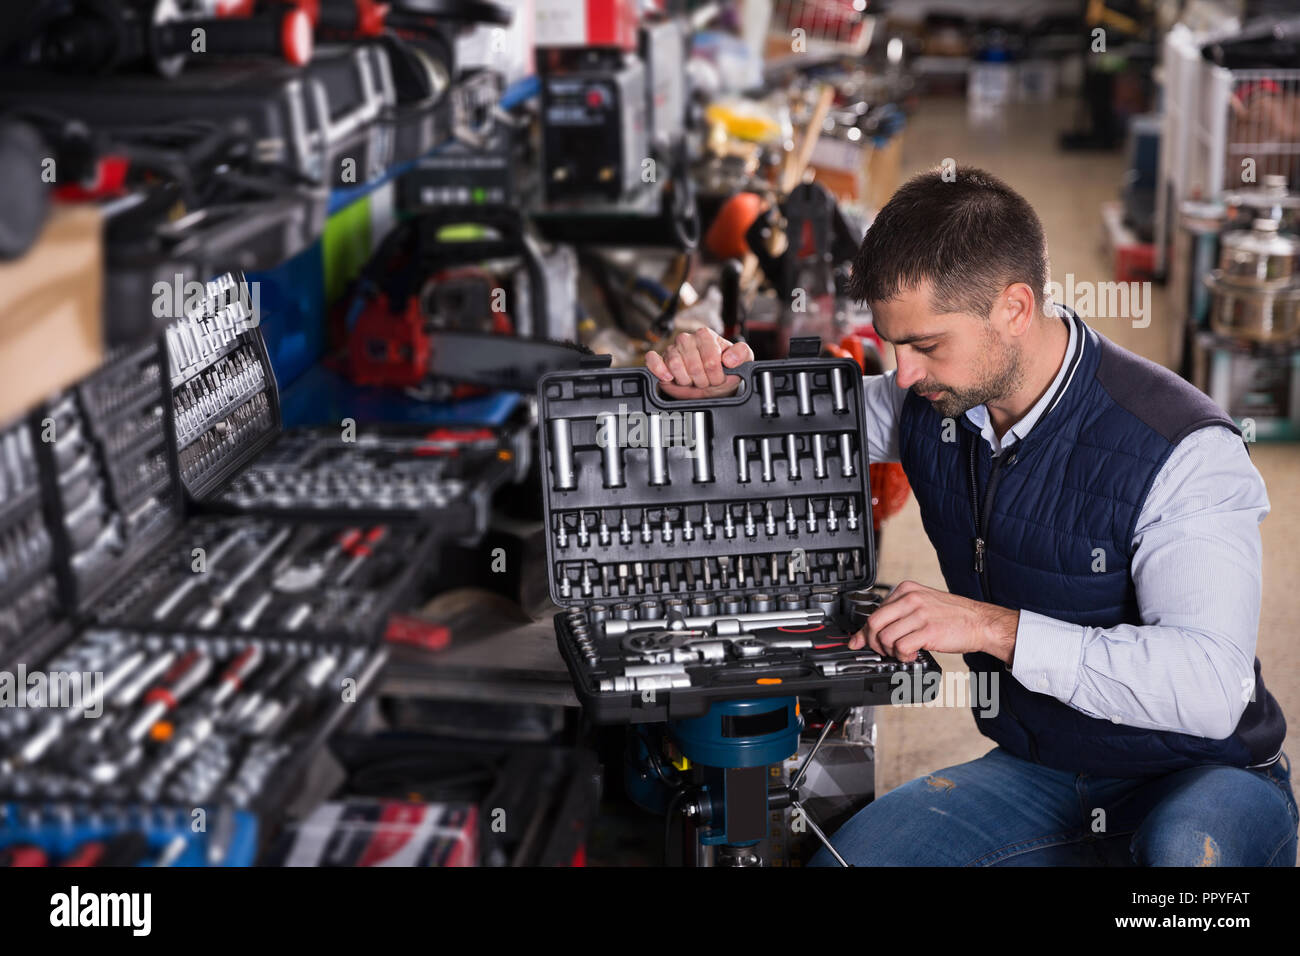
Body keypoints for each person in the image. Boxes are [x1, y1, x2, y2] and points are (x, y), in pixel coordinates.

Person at [645, 167, 1297, 866]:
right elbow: (786, 419)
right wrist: (716, 376)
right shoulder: (930, 400)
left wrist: (988, 626)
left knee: (1180, 865)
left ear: (1014, 308)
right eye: (894, 343)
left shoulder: (1181, 448)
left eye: (925, 345)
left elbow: (1208, 690)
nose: (902, 372)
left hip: (1203, 776)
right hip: (1039, 772)